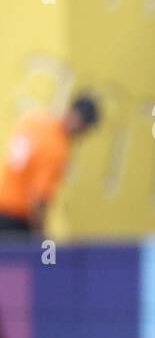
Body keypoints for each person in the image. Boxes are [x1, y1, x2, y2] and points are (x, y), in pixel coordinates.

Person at [0, 94, 98, 234]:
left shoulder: (35, 120)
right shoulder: (57, 146)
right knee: (33, 255)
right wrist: (41, 237)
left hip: (3, 204)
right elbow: (38, 200)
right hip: (16, 217)